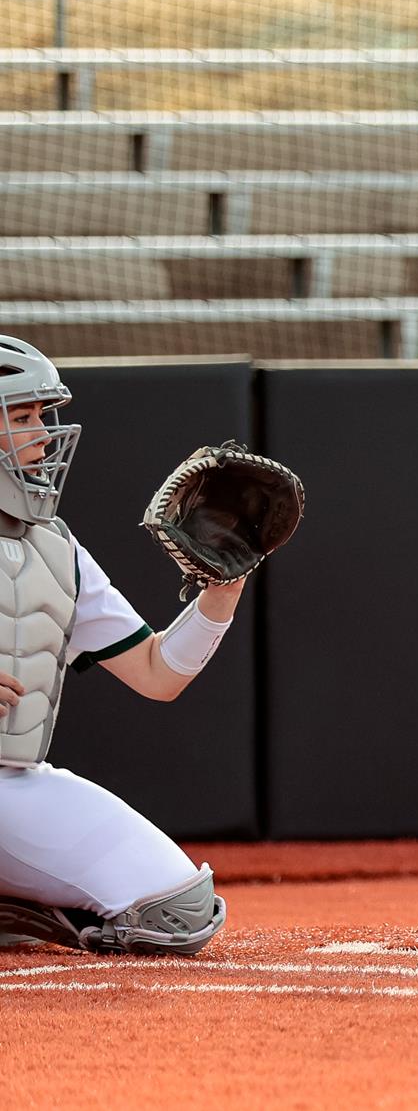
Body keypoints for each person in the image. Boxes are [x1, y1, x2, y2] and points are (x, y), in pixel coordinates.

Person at [0, 335, 235, 953]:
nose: (44, 436)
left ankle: (17, 903)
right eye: (22, 416)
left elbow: (159, 673)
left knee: (176, 911)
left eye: (41, 417)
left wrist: (221, 593)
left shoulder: (54, 547)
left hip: (8, 782)